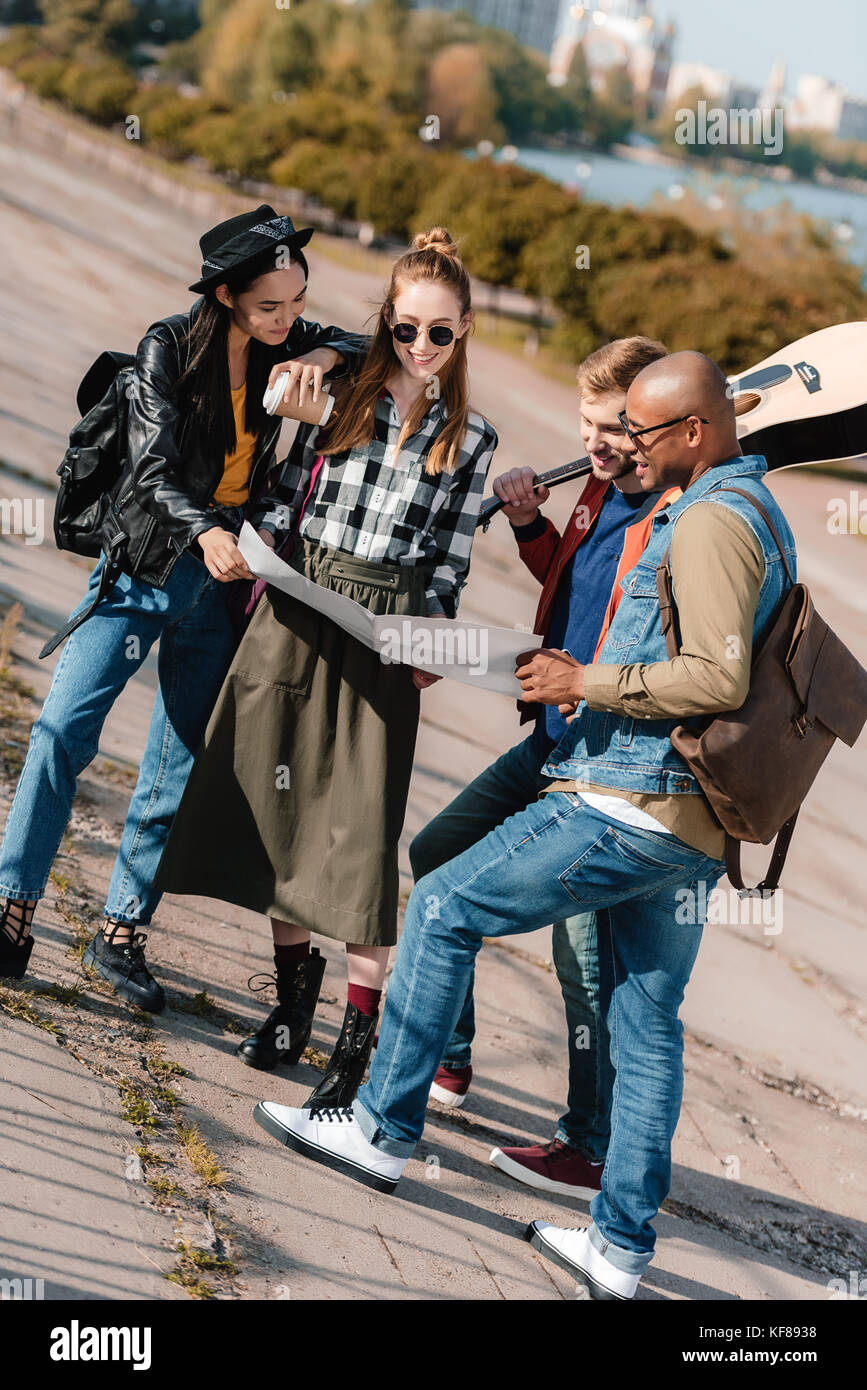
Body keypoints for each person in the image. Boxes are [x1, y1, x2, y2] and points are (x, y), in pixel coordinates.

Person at [253, 350, 798, 1302]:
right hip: (692, 825)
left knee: (445, 902)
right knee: (646, 1025)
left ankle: (382, 1129)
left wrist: (584, 681)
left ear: (696, 434)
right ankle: (620, 1250)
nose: (625, 444)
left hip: (628, 801)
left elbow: (716, 678)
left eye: (644, 430)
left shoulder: (711, 520)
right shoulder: (756, 513)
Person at [156, 228, 498, 1110]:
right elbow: (273, 497)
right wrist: (288, 423)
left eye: (440, 334)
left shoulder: (472, 438)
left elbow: (452, 557)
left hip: (387, 629)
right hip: (297, 603)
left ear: (464, 335)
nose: (420, 348)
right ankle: (288, 1013)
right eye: (406, 327)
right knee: (282, 816)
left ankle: (354, 1047)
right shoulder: (334, 391)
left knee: (357, 837)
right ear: (384, 321)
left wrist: (433, 642)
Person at [0, 204, 363, 1010]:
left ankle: (121, 932)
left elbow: (371, 349)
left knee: (178, 762)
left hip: (224, 583)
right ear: (227, 295)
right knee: (63, 731)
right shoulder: (168, 348)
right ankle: (13, 908)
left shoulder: (291, 347)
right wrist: (204, 533)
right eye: (270, 306)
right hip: (152, 562)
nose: (287, 319)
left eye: (298, 303)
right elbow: (153, 470)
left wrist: (327, 353)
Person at [413, 337, 679, 1208]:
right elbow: (569, 592)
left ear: (655, 426)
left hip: (603, 766)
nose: (593, 441)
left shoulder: (673, 517)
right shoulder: (599, 491)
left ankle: (587, 1146)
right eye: (585, 421)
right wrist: (532, 523)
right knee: (435, 857)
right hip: (550, 741)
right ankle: (448, 1056)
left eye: (613, 427)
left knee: (585, 964)